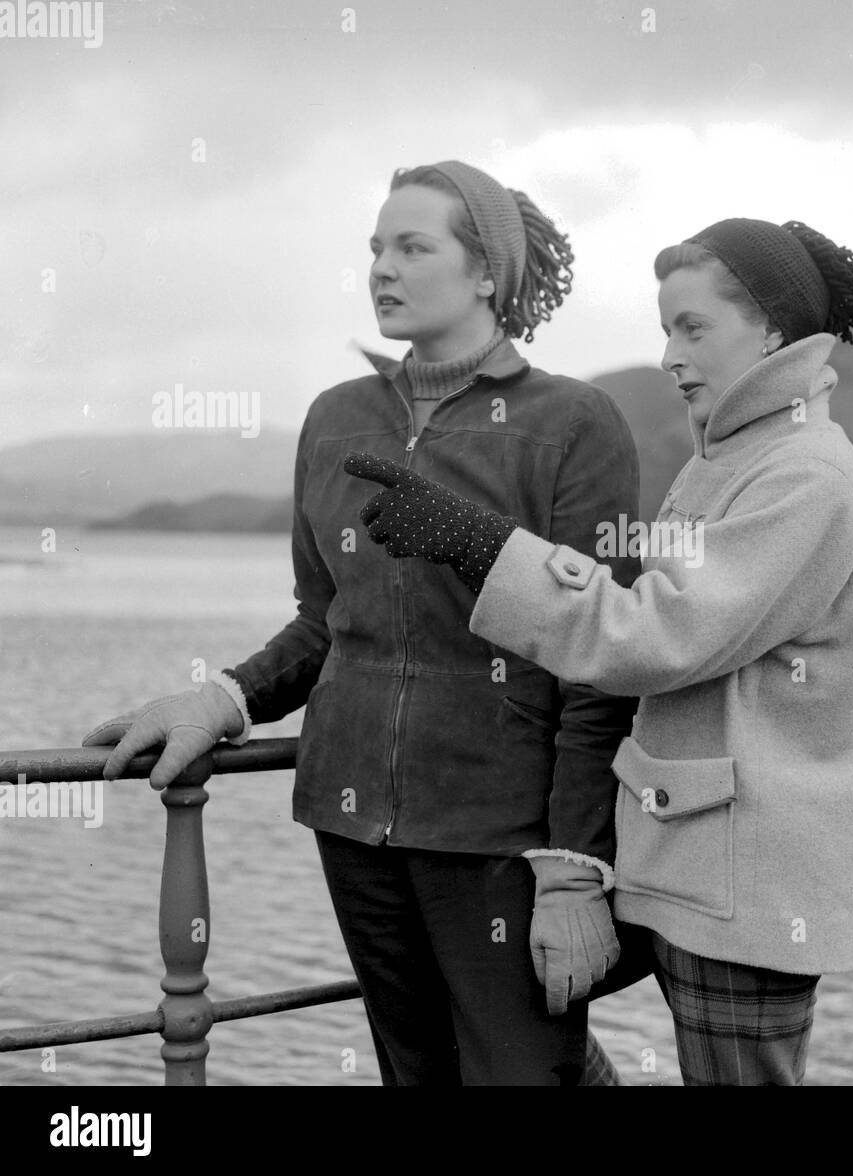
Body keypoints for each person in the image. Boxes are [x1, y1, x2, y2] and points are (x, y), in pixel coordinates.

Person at [82, 161, 642, 1086]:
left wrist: (576, 866)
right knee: (412, 1075)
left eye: (413, 247)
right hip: (350, 826)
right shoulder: (336, 419)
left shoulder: (575, 422)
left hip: (503, 835)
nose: (381, 266)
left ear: (486, 273)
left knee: (523, 1073)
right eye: (375, 248)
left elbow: (598, 661)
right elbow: (324, 620)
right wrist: (225, 696)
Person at [344, 216, 853, 1086]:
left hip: (749, 889)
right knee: (511, 1011)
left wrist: (485, 544)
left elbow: (652, 637)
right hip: (685, 860)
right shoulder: (734, 458)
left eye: (693, 328)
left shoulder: (807, 479)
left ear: (775, 332)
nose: (671, 355)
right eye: (664, 329)